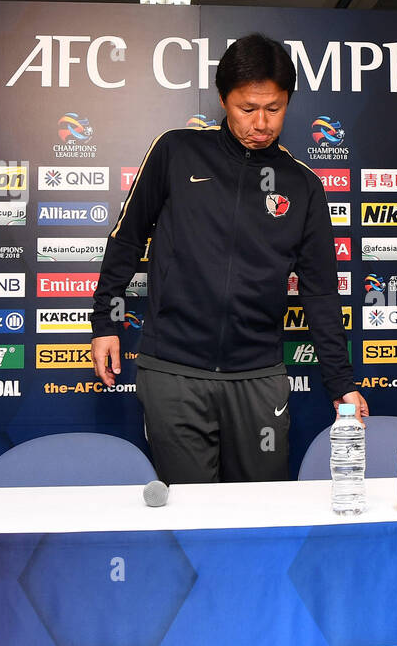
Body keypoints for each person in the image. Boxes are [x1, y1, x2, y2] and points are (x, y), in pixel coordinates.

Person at [91, 33, 366, 483]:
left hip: (259, 379)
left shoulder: (302, 186)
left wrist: (341, 383)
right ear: (223, 99)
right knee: (189, 519)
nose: (261, 123)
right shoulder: (176, 151)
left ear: (288, 102)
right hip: (173, 372)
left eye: (273, 109)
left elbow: (320, 292)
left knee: (259, 518)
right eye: (247, 108)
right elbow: (126, 239)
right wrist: (105, 322)